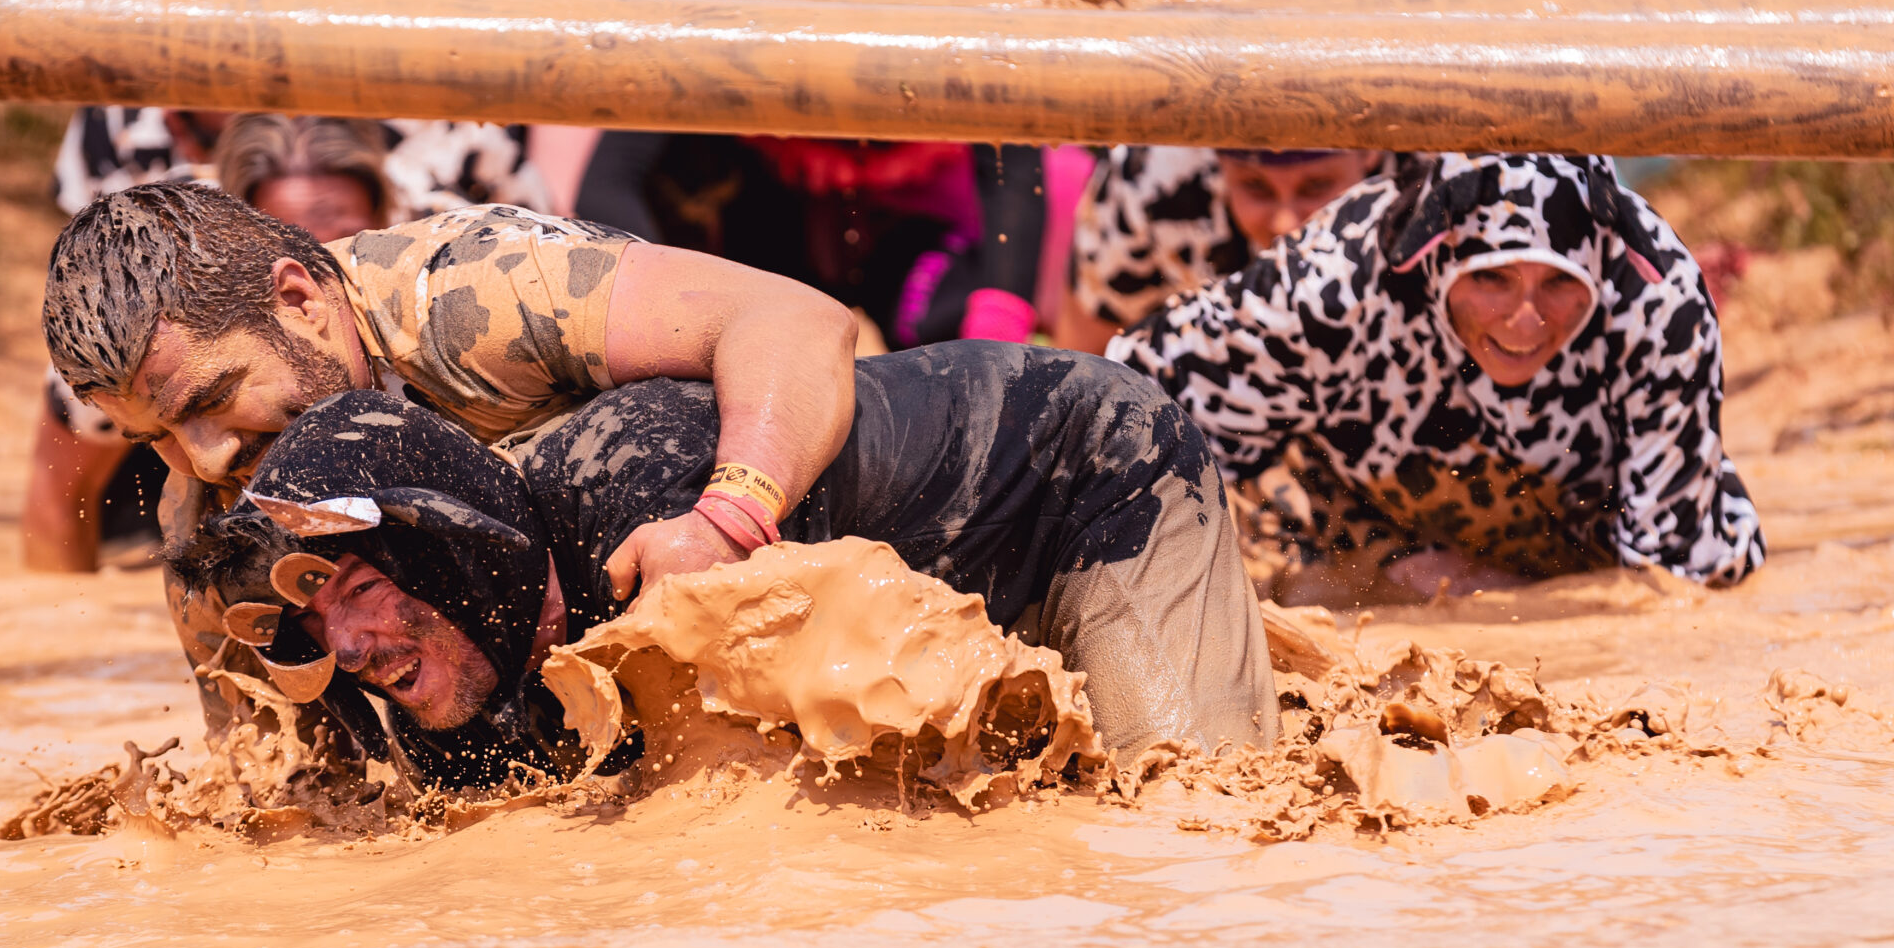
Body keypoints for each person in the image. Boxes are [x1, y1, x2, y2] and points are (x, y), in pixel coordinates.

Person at [170, 340, 1276, 789]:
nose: (349, 646)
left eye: (360, 591)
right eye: (320, 621)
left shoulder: (648, 516)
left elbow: (797, 788)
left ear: (458, 553)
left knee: (1196, 810)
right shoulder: (412, 654)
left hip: (1086, 476)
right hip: (929, 548)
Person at [41, 181, 862, 706]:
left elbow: (796, 320)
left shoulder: (474, 294)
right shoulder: (209, 521)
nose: (210, 460)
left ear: (297, 299)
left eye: (217, 399)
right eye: (160, 440)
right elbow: (278, 787)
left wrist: (726, 522)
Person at [1108, 153, 1765, 606]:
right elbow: (1129, 392)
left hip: (1597, 546)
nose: (1525, 321)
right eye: (1492, 279)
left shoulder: (1657, 301)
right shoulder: (1332, 285)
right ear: (1436, 258)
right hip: (1385, 545)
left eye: (1561, 284)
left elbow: (1676, 588)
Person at [22, 112, 554, 572]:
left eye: (340, 238)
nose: (321, 256)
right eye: (291, 233)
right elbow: (58, 500)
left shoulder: (461, 261)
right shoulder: (150, 343)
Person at [573, 135, 1053, 348]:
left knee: (964, 353)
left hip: (905, 236)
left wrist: (997, 332)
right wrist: (672, 315)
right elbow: (608, 183)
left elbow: (1013, 165)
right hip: (761, 231)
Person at [1056, 147, 1427, 352]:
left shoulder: (1432, 184)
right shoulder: (1148, 182)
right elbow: (1085, 356)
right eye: (1256, 188)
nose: (1285, 222)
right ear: (1219, 162)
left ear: (1370, 152)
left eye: (1316, 186)